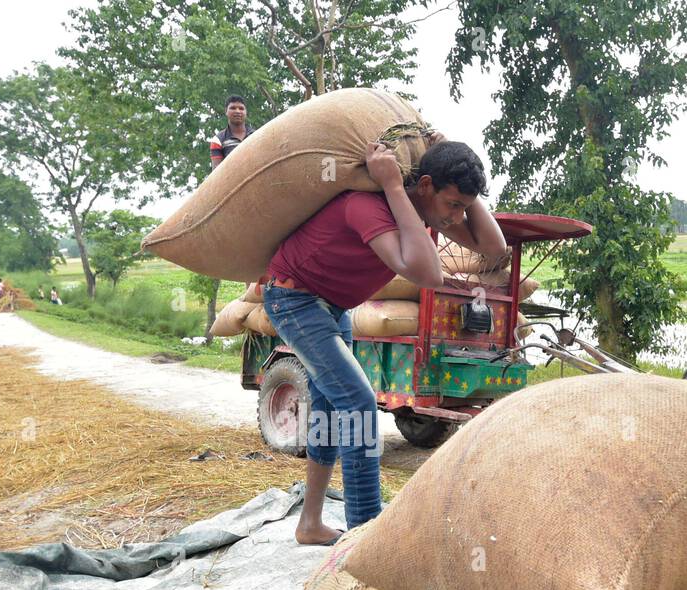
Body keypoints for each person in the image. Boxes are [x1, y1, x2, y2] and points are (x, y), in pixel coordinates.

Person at [262, 136, 507, 544]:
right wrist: (393, 185)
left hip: (331, 309)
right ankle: (367, 538)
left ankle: (309, 523)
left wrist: (464, 193)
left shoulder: (425, 213)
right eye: (452, 205)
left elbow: (494, 248)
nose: (455, 217)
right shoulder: (368, 206)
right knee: (357, 402)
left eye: (463, 207)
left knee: (326, 410)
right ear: (424, 185)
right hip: (293, 299)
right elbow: (427, 274)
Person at [208, 96, 254, 170]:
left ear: (246, 112)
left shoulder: (256, 135)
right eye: (233, 108)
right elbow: (216, 172)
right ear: (226, 111)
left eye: (241, 108)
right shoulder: (218, 140)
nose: (238, 111)